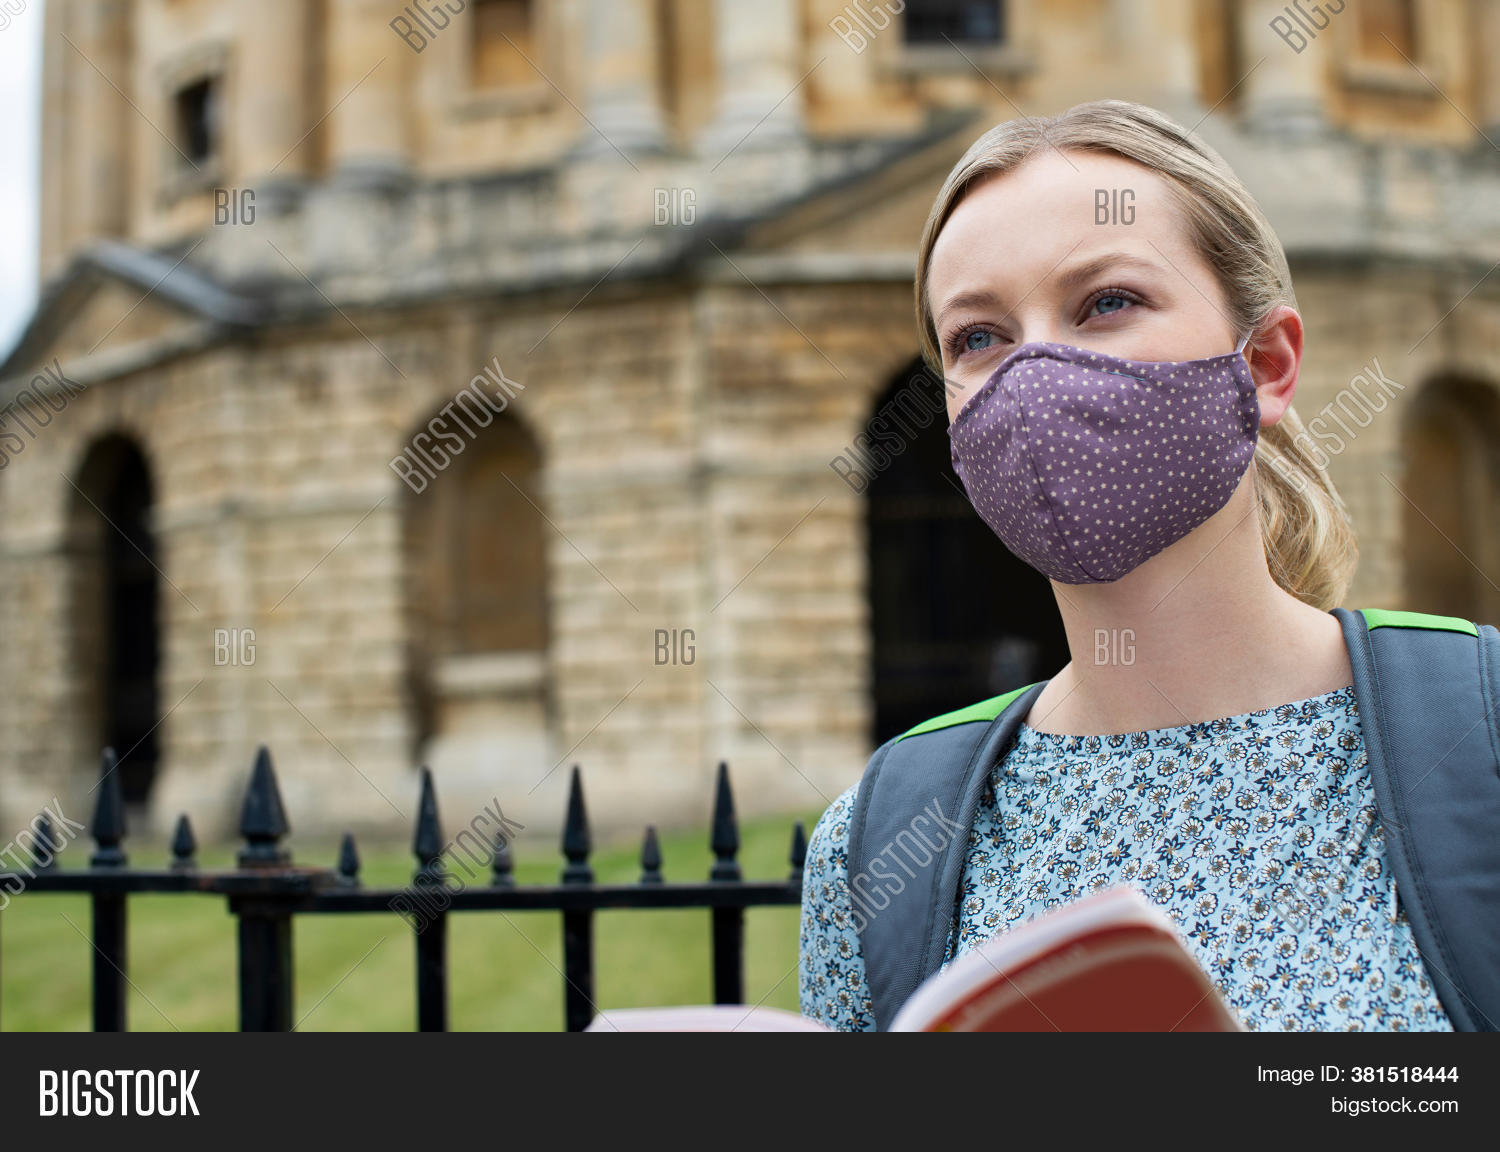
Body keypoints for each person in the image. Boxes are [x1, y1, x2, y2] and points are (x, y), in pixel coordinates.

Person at [798, 99, 1452, 1032]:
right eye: (980, 337)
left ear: (1265, 363)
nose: (1036, 375)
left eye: (1106, 303)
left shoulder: (1482, 738)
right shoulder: (874, 843)